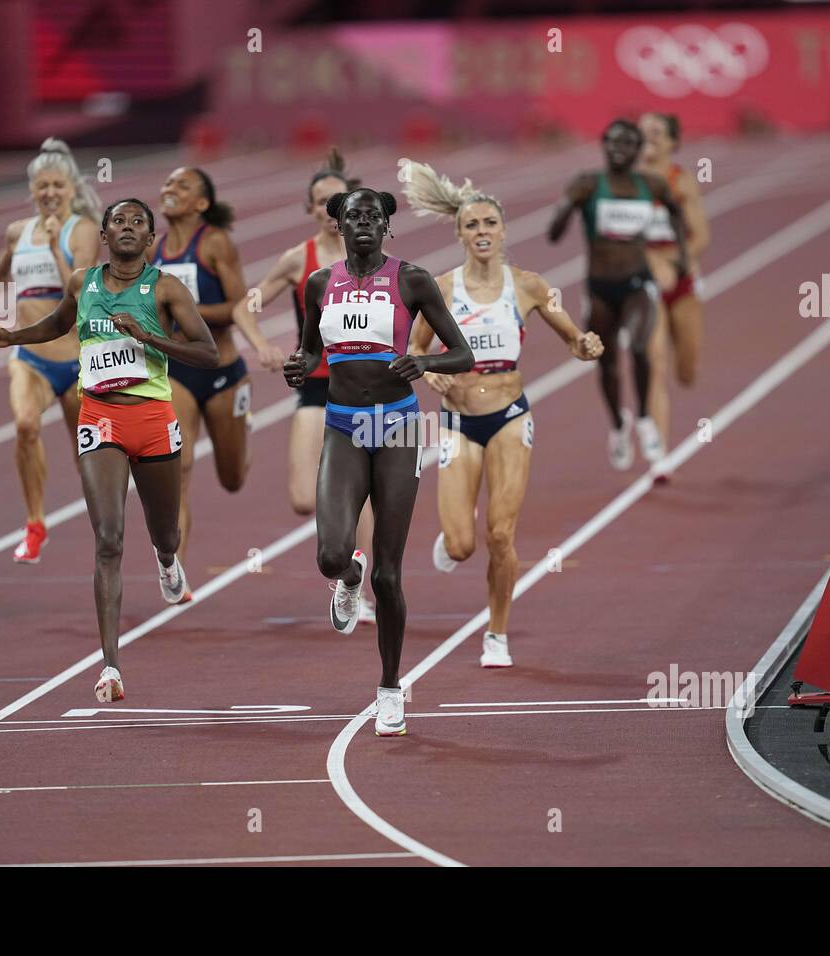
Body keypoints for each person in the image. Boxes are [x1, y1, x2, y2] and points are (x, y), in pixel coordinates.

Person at [0, 199, 218, 703]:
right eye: (119, 222)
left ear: (150, 239)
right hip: (100, 417)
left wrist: (151, 336)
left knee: (165, 531)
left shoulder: (166, 289)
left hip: (153, 418)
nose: (128, 228)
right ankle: (110, 666)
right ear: (105, 235)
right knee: (108, 538)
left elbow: (206, 352)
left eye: (138, 223)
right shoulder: (81, 283)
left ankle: (168, 561)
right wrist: (11, 337)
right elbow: (57, 325)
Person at [283, 187, 473, 736]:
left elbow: (463, 354)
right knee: (328, 553)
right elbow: (311, 353)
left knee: (390, 574)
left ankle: (390, 687)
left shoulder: (412, 280)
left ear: (386, 226)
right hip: (343, 424)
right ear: (338, 225)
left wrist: (423, 360)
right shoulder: (320, 285)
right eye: (353, 216)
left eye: (373, 216)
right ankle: (347, 578)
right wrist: (300, 368)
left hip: (397, 426)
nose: (363, 222)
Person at [403, 160, 602, 668]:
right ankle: (451, 543)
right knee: (463, 544)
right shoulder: (442, 289)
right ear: (460, 233)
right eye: (472, 225)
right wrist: (429, 372)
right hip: (456, 420)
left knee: (500, 534)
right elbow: (413, 351)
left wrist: (586, 343)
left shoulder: (530, 285)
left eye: (489, 223)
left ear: (504, 230)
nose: (482, 232)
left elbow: (573, 338)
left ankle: (496, 633)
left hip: (511, 416)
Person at [228, 148, 377, 621]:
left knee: (362, 495)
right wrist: (261, 345)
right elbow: (243, 306)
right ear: (312, 210)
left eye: (338, 200)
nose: (329, 209)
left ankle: (357, 585)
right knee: (300, 497)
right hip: (316, 390)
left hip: (368, 392)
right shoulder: (299, 259)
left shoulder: (377, 259)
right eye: (320, 202)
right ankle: (342, 518)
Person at [0, 138, 101, 562]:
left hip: (76, 362)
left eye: (58, 185)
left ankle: (105, 528)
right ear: (33, 190)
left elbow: (78, 290)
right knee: (25, 425)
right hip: (30, 357)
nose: (50, 194)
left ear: (72, 189)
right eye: (43, 187)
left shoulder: (84, 231)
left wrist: (57, 243)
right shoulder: (18, 233)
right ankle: (36, 524)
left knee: (86, 457)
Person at [548, 118, 687, 474]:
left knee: (641, 348)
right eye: (612, 142)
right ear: (603, 145)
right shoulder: (589, 184)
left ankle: (643, 418)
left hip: (638, 282)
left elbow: (675, 213)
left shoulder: (651, 185)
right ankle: (618, 425)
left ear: (638, 150)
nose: (618, 149)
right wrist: (566, 207)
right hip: (599, 288)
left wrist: (682, 257)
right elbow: (553, 234)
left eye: (627, 143)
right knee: (606, 362)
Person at [149, 166, 249, 566]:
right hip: (176, 372)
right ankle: (174, 571)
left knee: (232, 479)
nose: (170, 188)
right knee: (181, 467)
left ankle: (244, 428)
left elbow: (239, 307)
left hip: (223, 371)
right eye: (168, 182)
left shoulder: (216, 244)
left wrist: (183, 311)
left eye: (182, 185)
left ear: (201, 203)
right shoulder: (152, 250)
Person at [639, 111, 710, 401]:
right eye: (643, 132)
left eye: (656, 133)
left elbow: (702, 236)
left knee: (686, 370)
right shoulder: (628, 183)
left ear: (672, 142)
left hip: (681, 279)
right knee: (655, 365)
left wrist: (672, 262)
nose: (648, 138)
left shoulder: (682, 181)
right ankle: (656, 442)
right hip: (644, 280)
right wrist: (649, 264)